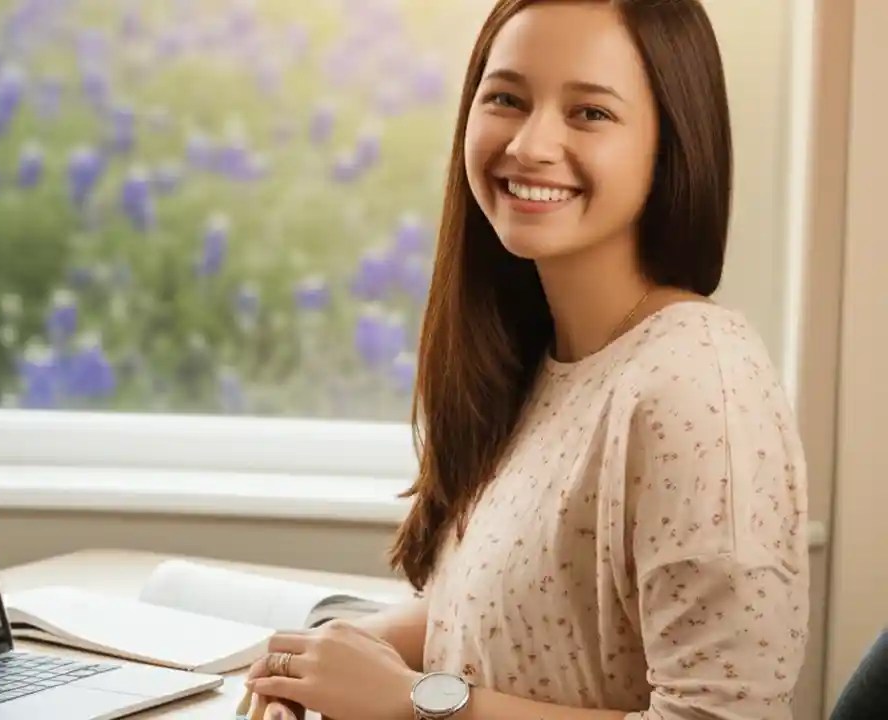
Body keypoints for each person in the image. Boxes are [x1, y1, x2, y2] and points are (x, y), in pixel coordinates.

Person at [244, 0, 810, 718]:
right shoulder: (543, 357)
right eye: (507, 99)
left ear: (671, 143)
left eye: (590, 113)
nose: (531, 145)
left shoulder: (699, 381)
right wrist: (341, 652)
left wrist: (417, 703)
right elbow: (530, 611)